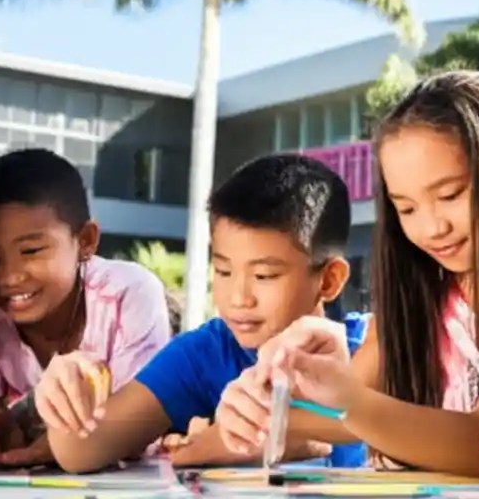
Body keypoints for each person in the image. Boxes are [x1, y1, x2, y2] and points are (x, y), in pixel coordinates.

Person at [215, 70, 479, 477]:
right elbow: (341, 412)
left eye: (449, 195)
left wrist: (350, 403)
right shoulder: (421, 291)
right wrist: (261, 410)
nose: (432, 227)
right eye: (406, 208)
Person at [31, 154, 362, 473]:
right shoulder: (203, 355)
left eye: (264, 276)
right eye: (222, 271)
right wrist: (65, 396)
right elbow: (84, 451)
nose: (238, 297)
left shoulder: (378, 354)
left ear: (329, 280)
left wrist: (217, 446)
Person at [0, 148, 172, 467]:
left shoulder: (128, 295)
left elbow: (138, 427)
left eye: (31, 250)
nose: (10, 276)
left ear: (86, 241)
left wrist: (47, 446)